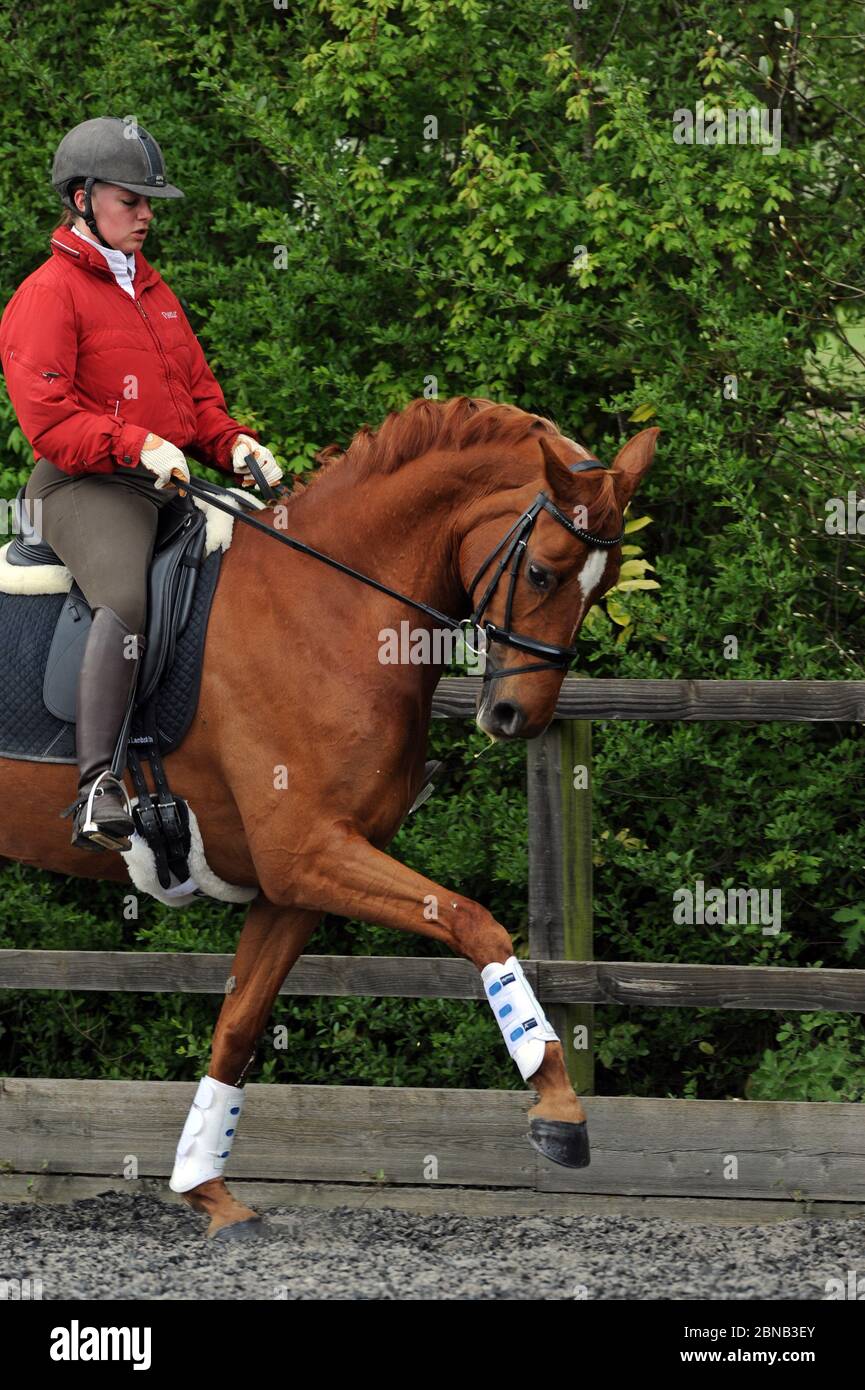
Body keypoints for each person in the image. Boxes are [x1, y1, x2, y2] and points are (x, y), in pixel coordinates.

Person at [0, 116, 283, 852]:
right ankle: (98, 785)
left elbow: (198, 401)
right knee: (124, 596)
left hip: (167, 481)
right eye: (134, 200)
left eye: (150, 202)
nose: (148, 213)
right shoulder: (47, 293)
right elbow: (49, 419)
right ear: (85, 198)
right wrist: (136, 442)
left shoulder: (154, 293)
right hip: (82, 485)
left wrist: (235, 444)